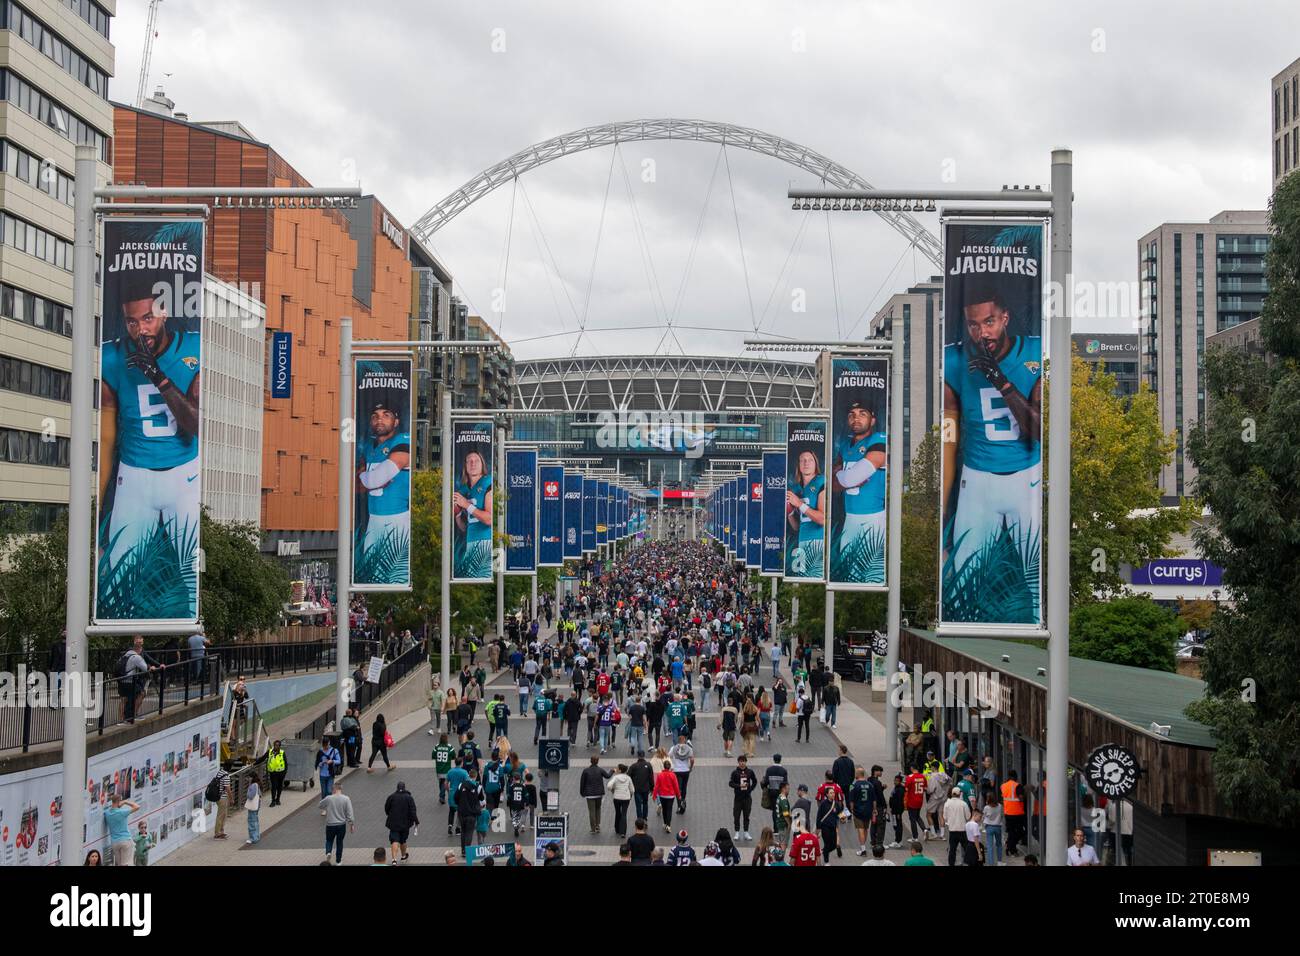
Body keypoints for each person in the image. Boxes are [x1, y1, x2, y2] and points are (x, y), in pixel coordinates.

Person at [98, 272, 202, 624]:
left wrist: (157, 375)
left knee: (190, 574)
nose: (140, 329)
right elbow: (106, 433)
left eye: (148, 318)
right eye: (132, 320)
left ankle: (192, 647)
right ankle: (122, 651)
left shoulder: (193, 349)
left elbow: (195, 425)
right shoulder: (111, 357)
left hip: (184, 474)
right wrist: (98, 503)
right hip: (134, 475)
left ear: (165, 313)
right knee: (117, 576)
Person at [941, 283, 1043, 621]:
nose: (981, 332)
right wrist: (942, 506)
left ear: (1005, 319)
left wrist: (999, 380)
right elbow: (949, 436)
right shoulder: (954, 360)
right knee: (960, 585)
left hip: (1026, 477)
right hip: (977, 479)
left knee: (1035, 579)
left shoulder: (1034, 353)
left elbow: (1037, 431)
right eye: (973, 324)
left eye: (989, 322)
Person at [785, 449, 827, 577]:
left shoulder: (821, 482)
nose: (806, 463)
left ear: (816, 463)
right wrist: (790, 512)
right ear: (798, 465)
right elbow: (797, 526)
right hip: (802, 541)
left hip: (818, 541)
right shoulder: (797, 488)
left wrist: (799, 504)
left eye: (810, 460)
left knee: (815, 581)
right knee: (804, 585)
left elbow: (823, 519)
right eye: (802, 460)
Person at [320, 781, 355, 865]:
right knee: (339, 842)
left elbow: (320, 805)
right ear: (341, 788)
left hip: (330, 824)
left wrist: (326, 806)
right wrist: (351, 824)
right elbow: (350, 813)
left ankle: (328, 852)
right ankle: (338, 861)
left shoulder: (329, 798)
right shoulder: (346, 798)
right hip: (341, 825)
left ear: (334, 789)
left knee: (329, 840)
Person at [103, 792, 139, 866]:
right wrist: (125, 802)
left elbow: (111, 810)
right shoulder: (122, 812)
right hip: (125, 840)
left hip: (115, 842)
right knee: (126, 864)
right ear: (119, 802)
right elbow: (137, 806)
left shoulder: (107, 813)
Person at [729, 755, 758, 840]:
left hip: (747, 798)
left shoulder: (750, 772)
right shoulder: (735, 773)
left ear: (746, 762)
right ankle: (737, 832)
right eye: (740, 761)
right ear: (738, 762)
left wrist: (750, 789)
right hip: (738, 798)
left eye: (743, 761)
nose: (742, 763)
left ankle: (746, 832)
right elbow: (730, 783)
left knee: (746, 815)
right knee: (736, 815)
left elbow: (755, 781)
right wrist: (739, 786)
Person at [579, 755, 610, 834]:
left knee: (591, 811)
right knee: (598, 809)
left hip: (589, 794)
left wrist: (582, 792)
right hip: (599, 794)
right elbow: (607, 776)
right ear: (598, 761)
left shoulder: (586, 771)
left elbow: (582, 783)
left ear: (590, 761)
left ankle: (593, 828)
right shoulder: (600, 770)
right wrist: (612, 771)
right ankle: (597, 825)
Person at [943, 786, 972, 866]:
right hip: (962, 830)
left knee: (952, 849)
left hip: (952, 830)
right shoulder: (963, 804)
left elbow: (945, 817)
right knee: (966, 848)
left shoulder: (947, 803)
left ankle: (951, 864)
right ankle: (968, 862)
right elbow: (968, 816)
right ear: (960, 794)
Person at [652, 759, 682, 834]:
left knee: (664, 809)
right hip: (671, 796)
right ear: (669, 767)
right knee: (669, 809)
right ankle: (668, 825)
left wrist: (654, 795)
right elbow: (676, 786)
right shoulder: (673, 775)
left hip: (662, 795)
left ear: (663, 766)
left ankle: (665, 823)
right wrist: (678, 795)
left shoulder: (660, 775)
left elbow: (657, 786)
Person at [1002, 770, 1026, 856]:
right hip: (1017, 813)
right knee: (1021, 832)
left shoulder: (1003, 785)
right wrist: (1025, 791)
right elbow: (1021, 798)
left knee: (1011, 832)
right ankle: (1011, 847)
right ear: (1015, 776)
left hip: (1008, 813)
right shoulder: (1018, 786)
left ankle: (1010, 848)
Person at [606, 763, 635, 838]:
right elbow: (632, 790)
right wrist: (630, 795)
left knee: (618, 812)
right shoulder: (628, 778)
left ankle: (617, 828)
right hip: (626, 798)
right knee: (624, 814)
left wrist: (612, 790)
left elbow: (609, 786)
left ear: (620, 770)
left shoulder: (616, 777)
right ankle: (623, 832)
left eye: (618, 768)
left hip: (617, 798)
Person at [668, 734, 694, 814]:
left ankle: (679, 805)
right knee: (684, 786)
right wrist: (690, 767)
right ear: (685, 740)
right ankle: (683, 799)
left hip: (676, 771)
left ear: (678, 740)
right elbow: (692, 759)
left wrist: (671, 766)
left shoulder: (674, 748)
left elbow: (668, 756)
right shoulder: (689, 748)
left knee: (678, 788)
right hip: (686, 770)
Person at [316, 737, 341, 802]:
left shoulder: (334, 751)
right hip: (322, 774)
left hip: (330, 774)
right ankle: (324, 807)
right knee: (324, 792)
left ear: (329, 743)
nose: (325, 747)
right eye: (324, 746)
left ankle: (328, 806)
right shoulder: (320, 751)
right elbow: (317, 763)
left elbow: (339, 761)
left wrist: (332, 761)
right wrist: (321, 763)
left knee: (329, 791)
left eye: (326, 745)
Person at [210, 765, 231, 839]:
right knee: (221, 815)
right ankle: (217, 833)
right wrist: (231, 798)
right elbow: (228, 788)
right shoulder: (226, 776)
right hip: (222, 798)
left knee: (223, 815)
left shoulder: (220, 772)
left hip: (218, 797)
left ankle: (221, 831)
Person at [265, 740, 287, 806]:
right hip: (273, 773)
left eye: (277, 745)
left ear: (280, 746)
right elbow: (263, 758)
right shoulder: (270, 752)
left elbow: (286, 763)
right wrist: (254, 763)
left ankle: (278, 799)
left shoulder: (282, 753)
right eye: (275, 745)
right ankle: (273, 801)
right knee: (274, 787)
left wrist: (284, 773)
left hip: (281, 773)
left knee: (279, 787)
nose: (276, 746)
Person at [244, 776, 262, 845]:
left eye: (248, 777)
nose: (247, 779)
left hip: (253, 806)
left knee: (251, 821)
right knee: (255, 821)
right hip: (256, 806)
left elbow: (250, 796)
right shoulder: (257, 785)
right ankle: (256, 836)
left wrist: (248, 790)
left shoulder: (253, 785)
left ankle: (253, 838)